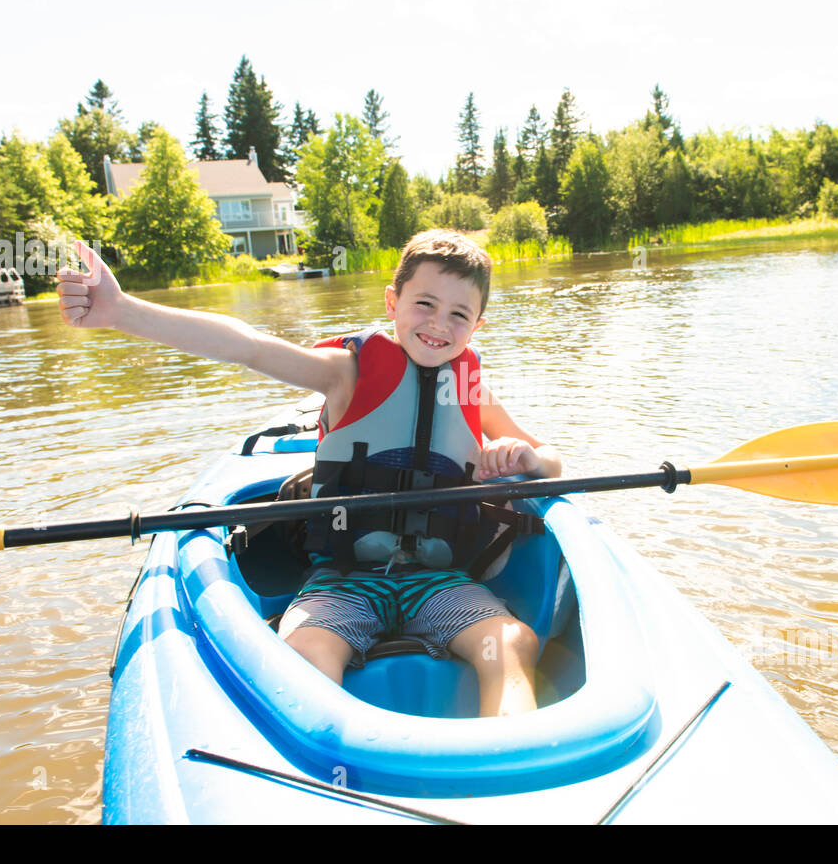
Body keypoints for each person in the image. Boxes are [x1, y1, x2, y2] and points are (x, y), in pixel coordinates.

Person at [57, 230, 560, 716]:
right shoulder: (347, 372)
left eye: (459, 315)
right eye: (424, 304)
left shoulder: (470, 390)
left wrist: (526, 457)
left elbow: (552, 459)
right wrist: (122, 311)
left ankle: (510, 760)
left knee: (512, 642)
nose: (439, 325)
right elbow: (247, 346)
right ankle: (331, 779)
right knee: (306, 653)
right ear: (392, 302)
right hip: (343, 583)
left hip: (440, 580)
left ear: (478, 326)